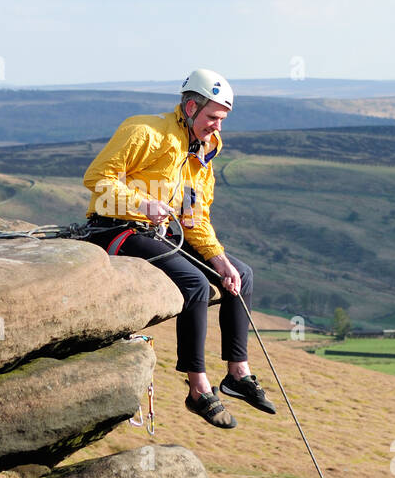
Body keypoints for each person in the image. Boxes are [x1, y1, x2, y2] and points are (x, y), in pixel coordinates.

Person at [82, 68, 276, 428]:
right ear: (190, 106)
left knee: (240, 274)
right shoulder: (146, 132)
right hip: (115, 229)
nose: (218, 127)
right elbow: (97, 179)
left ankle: (237, 374)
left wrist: (219, 259)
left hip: (157, 233)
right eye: (213, 118)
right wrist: (142, 204)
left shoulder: (201, 150)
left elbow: (193, 216)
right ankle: (198, 388)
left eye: (222, 120)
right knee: (195, 284)